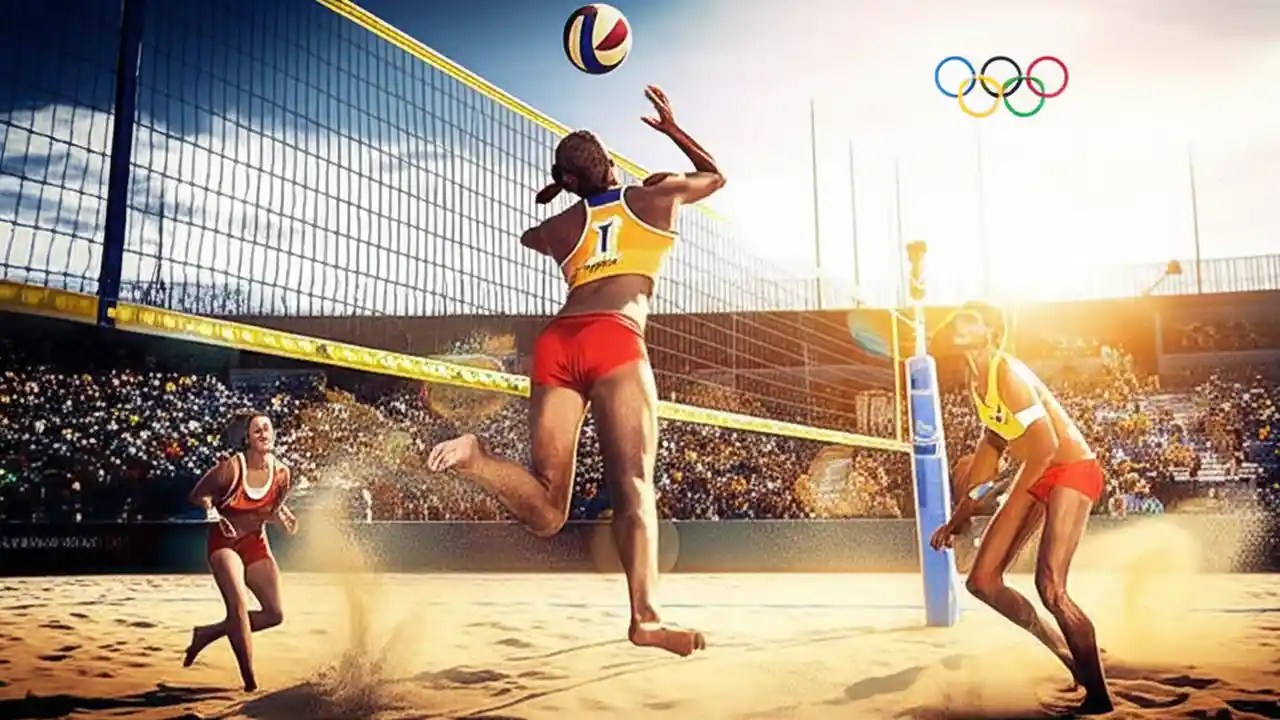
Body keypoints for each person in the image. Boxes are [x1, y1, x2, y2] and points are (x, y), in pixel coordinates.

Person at [427, 85, 725, 657]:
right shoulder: (655, 198)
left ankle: (477, 456)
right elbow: (715, 176)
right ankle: (645, 618)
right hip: (615, 337)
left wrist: (565, 194)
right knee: (634, 489)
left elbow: (530, 235)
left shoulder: (559, 231)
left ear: (566, 182)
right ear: (613, 165)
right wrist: (672, 131)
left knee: (546, 510)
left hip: (559, 343)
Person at [929, 301, 1114, 714]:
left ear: (991, 332)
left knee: (1050, 587)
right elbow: (991, 446)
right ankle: (1072, 659)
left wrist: (1010, 497)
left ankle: (1100, 699)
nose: (961, 320)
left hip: (1070, 468)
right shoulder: (975, 378)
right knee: (982, 581)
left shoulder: (1006, 372)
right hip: (1035, 468)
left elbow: (1046, 447)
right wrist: (958, 518)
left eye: (971, 318)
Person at [184, 412, 297, 692]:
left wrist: (283, 519)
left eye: (267, 428)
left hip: (255, 543)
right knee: (237, 606)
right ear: (246, 437)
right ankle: (249, 682)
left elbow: (270, 511)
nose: (263, 433)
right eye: (256, 430)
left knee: (275, 614)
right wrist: (212, 511)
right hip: (224, 541)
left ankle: (208, 633)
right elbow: (198, 495)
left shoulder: (282, 473)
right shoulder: (231, 468)